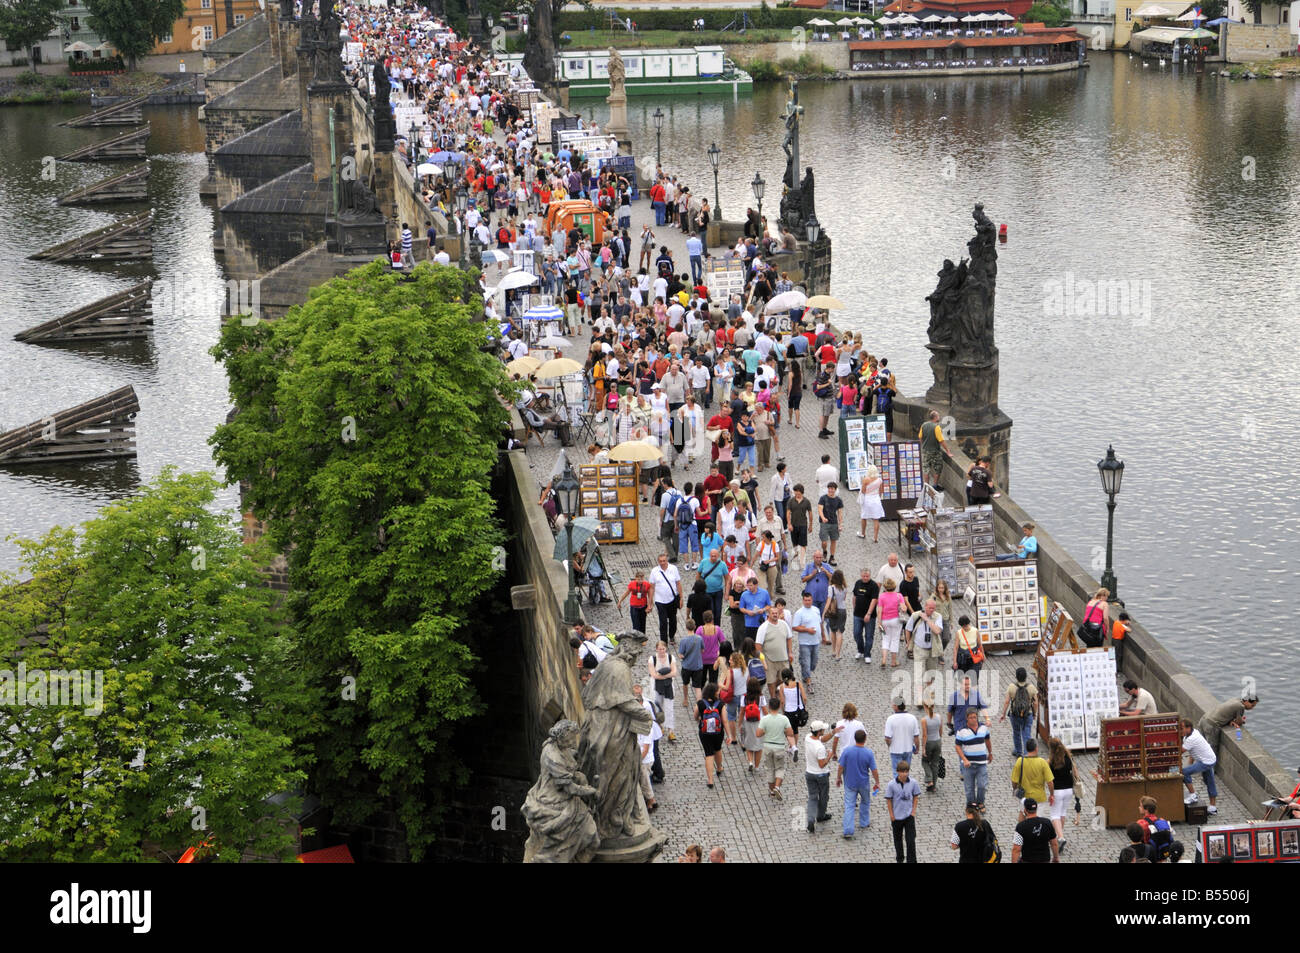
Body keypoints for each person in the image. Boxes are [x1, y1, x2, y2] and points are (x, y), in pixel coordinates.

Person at [836, 728, 881, 839]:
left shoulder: (847, 751)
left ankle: (848, 830)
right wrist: (877, 782)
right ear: (865, 739)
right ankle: (864, 822)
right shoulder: (868, 753)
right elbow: (874, 769)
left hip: (850, 783)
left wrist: (838, 778)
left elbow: (840, 766)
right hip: (863, 783)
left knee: (849, 806)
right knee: (865, 801)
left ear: (855, 739)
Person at [756, 696, 795, 801]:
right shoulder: (784, 719)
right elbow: (790, 733)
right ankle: (777, 787)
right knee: (779, 768)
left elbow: (758, 734)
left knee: (769, 769)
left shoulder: (764, 719)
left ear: (769, 707)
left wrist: (766, 731)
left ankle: (772, 791)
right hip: (779, 747)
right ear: (779, 707)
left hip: (768, 746)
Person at [884, 761, 921, 863]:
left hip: (908, 816)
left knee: (910, 840)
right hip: (896, 817)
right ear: (898, 772)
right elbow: (889, 800)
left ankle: (912, 861)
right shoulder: (891, 785)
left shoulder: (913, 783)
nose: (905, 774)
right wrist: (891, 815)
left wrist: (913, 812)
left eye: (906, 771)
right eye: (902, 772)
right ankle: (899, 859)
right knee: (898, 840)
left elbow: (916, 796)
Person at [955, 708, 992, 808]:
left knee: (982, 785)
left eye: (975, 717)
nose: (973, 719)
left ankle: (980, 802)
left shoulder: (983, 728)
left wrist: (990, 753)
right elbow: (957, 746)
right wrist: (964, 759)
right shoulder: (961, 731)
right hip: (968, 765)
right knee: (969, 787)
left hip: (981, 763)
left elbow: (987, 740)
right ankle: (972, 805)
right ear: (967, 718)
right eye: (971, 718)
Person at [755, 603, 793, 699]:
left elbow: (789, 638)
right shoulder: (763, 627)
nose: (775, 615)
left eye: (776, 613)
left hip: (783, 657)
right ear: (769, 615)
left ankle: (776, 688)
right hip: (769, 659)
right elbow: (758, 645)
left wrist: (790, 652)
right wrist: (761, 660)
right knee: (771, 680)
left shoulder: (784, 624)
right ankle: (773, 697)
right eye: (773, 613)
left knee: (785, 678)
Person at [1010, 738, 1055, 820]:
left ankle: (1020, 832)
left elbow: (1014, 781)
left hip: (1024, 797)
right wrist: (1052, 794)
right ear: (1036, 748)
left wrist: (1015, 789)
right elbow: (1050, 782)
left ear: (1027, 748)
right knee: (1037, 822)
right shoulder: (1042, 762)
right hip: (1039, 798)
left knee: (1022, 820)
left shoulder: (1020, 761)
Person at [998, 666, 1037, 758]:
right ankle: (1027, 753)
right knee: (1026, 732)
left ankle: (1018, 751)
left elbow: (1007, 701)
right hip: (1028, 714)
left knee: (1016, 732)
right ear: (1026, 676)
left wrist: (1003, 714)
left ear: (1016, 677)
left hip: (1015, 714)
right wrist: (1034, 713)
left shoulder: (1011, 687)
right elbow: (1035, 702)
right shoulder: (1031, 687)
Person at [1181, 718, 1218, 813]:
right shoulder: (1194, 732)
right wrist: (1190, 763)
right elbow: (1194, 750)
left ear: (1188, 728)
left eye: (1182, 728)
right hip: (1208, 758)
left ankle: (1193, 795)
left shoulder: (1192, 738)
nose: (1180, 731)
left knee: (1184, 772)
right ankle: (1213, 807)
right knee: (1210, 781)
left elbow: (1180, 751)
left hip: (1206, 761)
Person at [633, 684, 660, 813]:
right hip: (639, 756)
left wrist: (638, 760)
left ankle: (651, 799)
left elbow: (646, 748)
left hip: (645, 759)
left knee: (643, 777)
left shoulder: (646, 726)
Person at [791, 590, 823, 694]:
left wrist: (822, 635)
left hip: (816, 641)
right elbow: (794, 627)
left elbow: (819, 623)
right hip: (805, 642)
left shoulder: (816, 610)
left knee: (813, 663)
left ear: (812, 600)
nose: (807, 602)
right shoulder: (799, 613)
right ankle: (809, 683)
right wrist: (807, 630)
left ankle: (805, 672)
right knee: (806, 663)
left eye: (809, 600)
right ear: (803, 601)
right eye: (805, 600)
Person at [1046, 736, 1076, 851]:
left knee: (1054, 815)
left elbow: (1050, 780)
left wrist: (1051, 794)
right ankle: (1059, 836)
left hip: (1058, 791)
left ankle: (1061, 838)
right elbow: (1074, 771)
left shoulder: (1051, 762)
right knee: (1062, 813)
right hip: (1068, 790)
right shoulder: (1068, 758)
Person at [804, 720, 833, 832]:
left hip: (809, 773)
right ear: (819, 731)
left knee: (812, 797)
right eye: (823, 730)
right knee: (823, 796)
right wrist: (829, 755)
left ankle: (811, 820)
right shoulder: (820, 748)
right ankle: (820, 815)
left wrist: (832, 732)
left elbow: (823, 738)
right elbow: (822, 764)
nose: (824, 730)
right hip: (821, 775)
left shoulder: (807, 738)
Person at [695, 682, 726, 788]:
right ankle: (719, 768)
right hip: (718, 732)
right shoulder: (721, 704)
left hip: (704, 733)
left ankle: (710, 780)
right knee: (718, 749)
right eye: (718, 691)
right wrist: (730, 735)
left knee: (709, 754)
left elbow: (696, 715)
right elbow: (725, 721)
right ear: (714, 693)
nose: (719, 692)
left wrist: (700, 719)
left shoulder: (700, 703)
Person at [648, 639, 680, 742]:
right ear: (656, 649)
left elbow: (674, 673)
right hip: (656, 687)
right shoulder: (652, 659)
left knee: (669, 708)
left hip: (668, 687)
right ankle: (660, 727)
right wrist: (667, 676)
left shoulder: (671, 658)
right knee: (658, 707)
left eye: (663, 649)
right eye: (659, 649)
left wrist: (661, 675)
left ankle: (671, 731)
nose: (662, 651)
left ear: (666, 648)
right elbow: (653, 675)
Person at [1136, 796, 1185, 863]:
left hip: (1150, 856)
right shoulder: (1162, 820)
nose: (1139, 807)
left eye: (1140, 806)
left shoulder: (1141, 823)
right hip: (1163, 854)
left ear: (1146, 810)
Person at [1011, 798, 1059, 863]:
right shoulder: (1047, 823)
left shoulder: (1021, 827)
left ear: (1025, 810)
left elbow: (1016, 849)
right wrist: (1056, 857)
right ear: (1036, 809)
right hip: (1045, 860)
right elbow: (1054, 844)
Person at [651, 552, 683, 644]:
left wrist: (681, 598)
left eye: (664, 561)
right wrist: (650, 601)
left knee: (673, 620)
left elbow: (678, 583)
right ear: (658, 561)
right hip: (660, 600)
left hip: (672, 599)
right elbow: (652, 587)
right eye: (660, 561)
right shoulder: (654, 571)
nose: (662, 563)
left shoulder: (673, 569)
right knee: (663, 622)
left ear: (667, 560)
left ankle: (672, 636)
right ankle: (663, 641)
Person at [876, 578, 906, 669]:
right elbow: (904, 608)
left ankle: (884, 659)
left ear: (885, 587)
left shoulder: (881, 596)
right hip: (896, 620)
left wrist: (879, 623)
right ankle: (893, 662)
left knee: (885, 639)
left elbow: (879, 611)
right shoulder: (899, 596)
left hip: (885, 621)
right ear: (894, 586)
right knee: (895, 639)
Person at [884, 699, 920, 774]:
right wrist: (917, 748)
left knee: (896, 772)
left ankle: (898, 785)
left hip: (895, 750)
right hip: (908, 749)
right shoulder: (912, 718)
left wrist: (889, 745)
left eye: (893, 705)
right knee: (906, 772)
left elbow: (887, 738)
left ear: (896, 706)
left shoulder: (890, 719)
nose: (892, 706)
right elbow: (916, 736)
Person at [851, 567, 879, 663]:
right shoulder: (858, 583)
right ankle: (861, 650)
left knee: (869, 635)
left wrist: (869, 613)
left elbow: (874, 600)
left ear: (870, 576)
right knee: (856, 633)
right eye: (864, 576)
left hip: (870, 616)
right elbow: (854, 596)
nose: (865, 578)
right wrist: (854, 608)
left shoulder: (874, 586)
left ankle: (867, 654)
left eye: (867, 576)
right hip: (857, 614)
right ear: (861, 575)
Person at [918, 410, 952, 488]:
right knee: (938, 468)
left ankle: (926, 486)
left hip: (925, 451)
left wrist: (922, 446)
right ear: (935, 417)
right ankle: (935, 486)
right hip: (935, 452)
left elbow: (920, 437)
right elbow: (941, 441)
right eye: (938, 416)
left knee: (926, 469)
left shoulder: (924, 425)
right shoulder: (936, 427)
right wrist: (948, 451)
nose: (939, 417)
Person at [785, 483, 814, 573]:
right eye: (795, 492)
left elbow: (810, 513)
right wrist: (789, 524)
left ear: (802, 492)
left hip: (803, 524)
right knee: (795, 542)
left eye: (798, 492)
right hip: (793, 525)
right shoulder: (791, 501)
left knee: (803, 543)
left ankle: (802, 561)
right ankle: (796, 556)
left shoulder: (806, 501)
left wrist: (810, 525)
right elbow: (788, 513)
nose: (796, 494)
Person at [676, 622, 705, 712]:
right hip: (697, 666)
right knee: (697, 687)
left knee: (685, 683)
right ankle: (698, 705)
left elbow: (680, 655)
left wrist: (683, 656)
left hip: (687, 666)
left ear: (686, 627)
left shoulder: (684, 640)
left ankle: (685, 700)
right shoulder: (699, 639)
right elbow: (702, 650)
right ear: (695, 627)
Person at [720, 650, 746, 746]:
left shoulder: (730, 672)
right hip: (744, 697)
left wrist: (719, 684)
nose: (729, 661)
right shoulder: (746, 670)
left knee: (731, 717)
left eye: (731, 660)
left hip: (733, 697)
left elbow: (726, 687)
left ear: (735, 661)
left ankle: (734, 738)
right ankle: (743, 741)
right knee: (742, 718)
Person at [740, 675, 764, 773]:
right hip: (759, 722)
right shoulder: (761, 697)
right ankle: (757, 766)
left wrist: (739, 724)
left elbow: (742, 712)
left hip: (748, 722)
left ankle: (750, 762)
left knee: (748, 744)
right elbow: (765, 710)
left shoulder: (744, 697)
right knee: (759, 746)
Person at [817, 482, 844, 565]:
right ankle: (825, 552)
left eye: (832, 489)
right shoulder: (823, 498)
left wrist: (840, 524)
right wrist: (823, 518)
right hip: (824, 523)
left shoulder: (838, 500)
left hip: (834, 523)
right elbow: (820, 509)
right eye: (829, 488)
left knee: (833, 540)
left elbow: (840, 513)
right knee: (824, 542)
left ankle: (832, 557)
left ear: (835, 490)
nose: (830, 490)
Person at [920, 701, 944, 793]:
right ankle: (933, 786)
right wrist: (939, 741)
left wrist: (923, 748)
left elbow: (925, 735)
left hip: (929, 743)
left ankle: (929, 779)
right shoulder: (939, 717)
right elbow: (940, 731)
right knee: (935, 764)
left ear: (924, 706)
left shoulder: (924, 720)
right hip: (937, 742)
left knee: (925, 761)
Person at [825, 569, 848, 661]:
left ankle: (834, 651)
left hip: (833, 611)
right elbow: (844, 599)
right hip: (842, 610)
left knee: (833, 630)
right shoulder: (844, 587)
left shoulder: (831, 588)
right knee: (839, 632)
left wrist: (824, 612)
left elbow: (829, 601)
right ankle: (838, 654)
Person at [857, 466, 885, 542]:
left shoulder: (866, 479)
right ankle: (875, 537)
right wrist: (878, 497)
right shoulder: (879, 480)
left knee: (864, 517)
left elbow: (863, 491)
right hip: (876, 499)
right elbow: (881, 491)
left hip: (867, 499)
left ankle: (863, 533)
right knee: (876, 519)